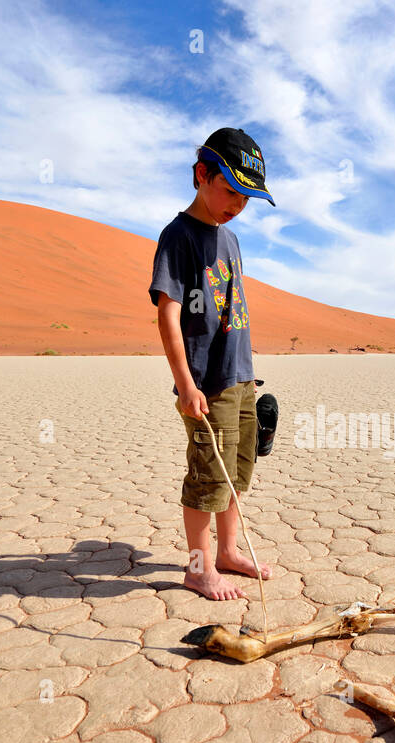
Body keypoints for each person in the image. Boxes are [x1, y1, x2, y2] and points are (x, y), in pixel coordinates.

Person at [149, 127, 276, 600]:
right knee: (208, 477)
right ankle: (200, 568)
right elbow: (167, 310)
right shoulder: (177, 236)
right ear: (202, 175)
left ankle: (227, 553)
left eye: (248, 198)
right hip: (208, 384)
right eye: (231, 191)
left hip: (241, 377)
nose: (238, 204)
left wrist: (247, 373)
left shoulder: (232, 240)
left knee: (238, 474)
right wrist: (185, 384)